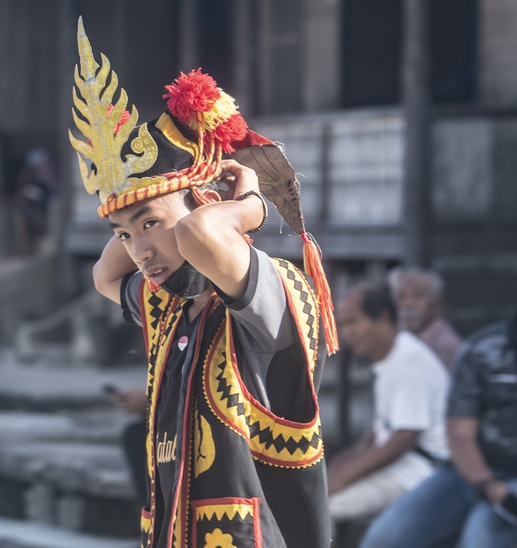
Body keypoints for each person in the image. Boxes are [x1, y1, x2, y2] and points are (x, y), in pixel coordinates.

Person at [76, 18, 337, 548]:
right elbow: (106, 273)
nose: (139, 251)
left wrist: (251, 203)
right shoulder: (166, 306)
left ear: (213, 208)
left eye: (151, 225)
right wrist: (133, 211)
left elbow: (196, 231)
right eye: (125, 235)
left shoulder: (269, 297)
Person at [360, 311, 517, 547]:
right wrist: (486, 484)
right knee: (383, 538)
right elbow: (460, 431)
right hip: (468, 471)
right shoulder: (483, 348)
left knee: (479, 539)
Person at [329, 284, 449, 522]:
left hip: (419, 473)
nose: (347, 332)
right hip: (400, 467)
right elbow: (378, 433)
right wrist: (340, 466)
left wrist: (344, 477)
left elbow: (403, 438)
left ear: (383, 318)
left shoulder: (408, 361)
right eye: (343, 324)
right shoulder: (390, 358)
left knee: (325, 511)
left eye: (353, 322)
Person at [390, 267, 463, 369]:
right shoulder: (408, 341)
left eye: (418, 296)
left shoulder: (443, 347)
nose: (408, 304)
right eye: (402, 297)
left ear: (438, 304)